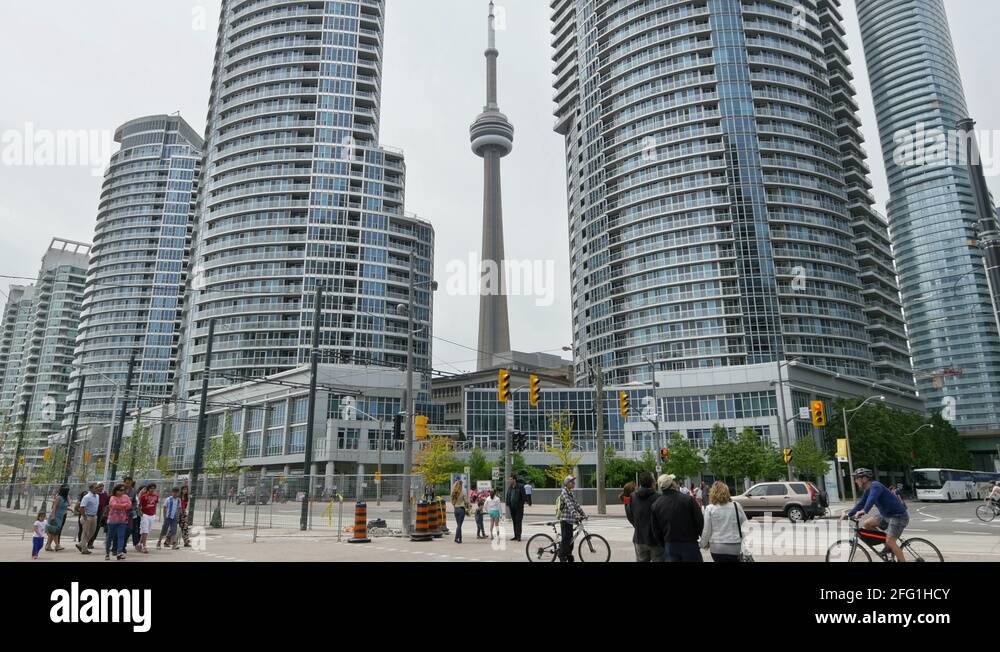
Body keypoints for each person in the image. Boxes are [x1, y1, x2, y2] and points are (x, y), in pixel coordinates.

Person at [842, 468, 908, 563]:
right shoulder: (867, 490)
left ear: (864, 479)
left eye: (856, 478)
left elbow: (872, 499)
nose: (855, 481)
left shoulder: (876, 486)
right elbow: (861, 503)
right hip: (885, 515)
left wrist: (864, 510)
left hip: (898, 516)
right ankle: (888, 544)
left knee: (890, 541)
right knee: (867, 524)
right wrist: (849, 514)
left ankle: (890, 543)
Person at [650, 474, 704, 562]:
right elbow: (699, 520)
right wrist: (702, 538)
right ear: (672, 484)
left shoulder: (656, 505)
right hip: (689, 543)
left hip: (670, 544)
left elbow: (656, 530)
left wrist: (664, 543)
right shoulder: (688, 500)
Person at [700, 481, 748, 563]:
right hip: (735, 546)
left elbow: (706, 530)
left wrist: (703, 544)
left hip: (717, 548)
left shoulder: (710, 508)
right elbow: (745, 525)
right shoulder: (736, 505)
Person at [626, 472, 661, 562]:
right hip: (655, 540)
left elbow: (629, 514)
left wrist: (637, 525)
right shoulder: (658, 497)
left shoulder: (632, 496)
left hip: (639, 537)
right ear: (652, 482)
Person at [557, 475, 586, 562]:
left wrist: (583, 513)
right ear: (567, 483)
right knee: (566, 540)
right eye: (572, 482)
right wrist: (575, 514)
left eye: (574, 482)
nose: (574, 483)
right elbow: (569, 505)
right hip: (565, 519)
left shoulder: (571, 493)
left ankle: (569, 555)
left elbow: (576, 505)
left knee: (571, 541)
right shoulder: (564, 492)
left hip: (570, 520)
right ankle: (561, 556)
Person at [105, 484, 131, 560]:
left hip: (122, 520)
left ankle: (119, 552)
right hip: (112, 520)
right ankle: (107, 553)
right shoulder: (112, 497)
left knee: (121, 537)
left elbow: (129, 505)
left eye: (123, 490)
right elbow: (114, 505)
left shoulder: (125, 497)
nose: (122, 492)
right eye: (120, 490)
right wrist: (124, 505)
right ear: (116, 491)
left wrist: (123, 505)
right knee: (110, 537)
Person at [45, 485, 70, 552]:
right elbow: (54, 507)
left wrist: (70, 509)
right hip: (55, 516)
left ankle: (48, 546)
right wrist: (53, 516)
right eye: (67, 491)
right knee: (54, 532)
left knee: (53, 532)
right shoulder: (58, 497)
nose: (68, 493)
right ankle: (57, 545)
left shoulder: (64, 498)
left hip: (60, 517)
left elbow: (68, 505)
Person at [76, 483, 100, 555]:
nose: (97, 489)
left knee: (92, 532)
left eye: (97, 488)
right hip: (87, 516)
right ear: (91, 489)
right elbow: (82, 507)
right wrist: (84, 516)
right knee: (85, 533)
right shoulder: (87, 497)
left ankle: (81, 544)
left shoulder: (97, 496)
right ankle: (84, 548)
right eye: (95, 488)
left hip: (94, 516)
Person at [137, 483, 159, 553]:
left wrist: (154, 513)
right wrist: (141, 514)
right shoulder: (144, 496)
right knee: (145, 530)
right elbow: (139, 505)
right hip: (145, 515)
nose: (152, 489)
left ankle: (139, 543)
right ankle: (144, 546)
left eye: (153, 488)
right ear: (148, 489)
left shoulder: (156, 496)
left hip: (152, 515)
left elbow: (155, 504)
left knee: (146, 531)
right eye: (151, 488)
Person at [505, 474, 527, 542]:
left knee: (518, 522)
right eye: (509, 479)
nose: (510, 480)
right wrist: (507, 502)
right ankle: (515, 536)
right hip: (512, 507)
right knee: (514, 522)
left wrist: (520, 504)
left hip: (519, 508)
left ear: (514, 479)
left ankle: (519, 536)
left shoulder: (520, 486)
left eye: (511, 479)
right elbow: (508, 495)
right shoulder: (510, 487)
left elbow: (524, 497)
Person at [90, 483, 109, 549]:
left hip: (101, 512)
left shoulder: (105, 494)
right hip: (93, 512)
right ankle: (87, 541)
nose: (100, 488)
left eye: (102, 486)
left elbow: (107, 503)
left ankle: (91, 542)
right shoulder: (94, 494)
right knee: (91, 528)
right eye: (99, 486)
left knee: (97, 527)